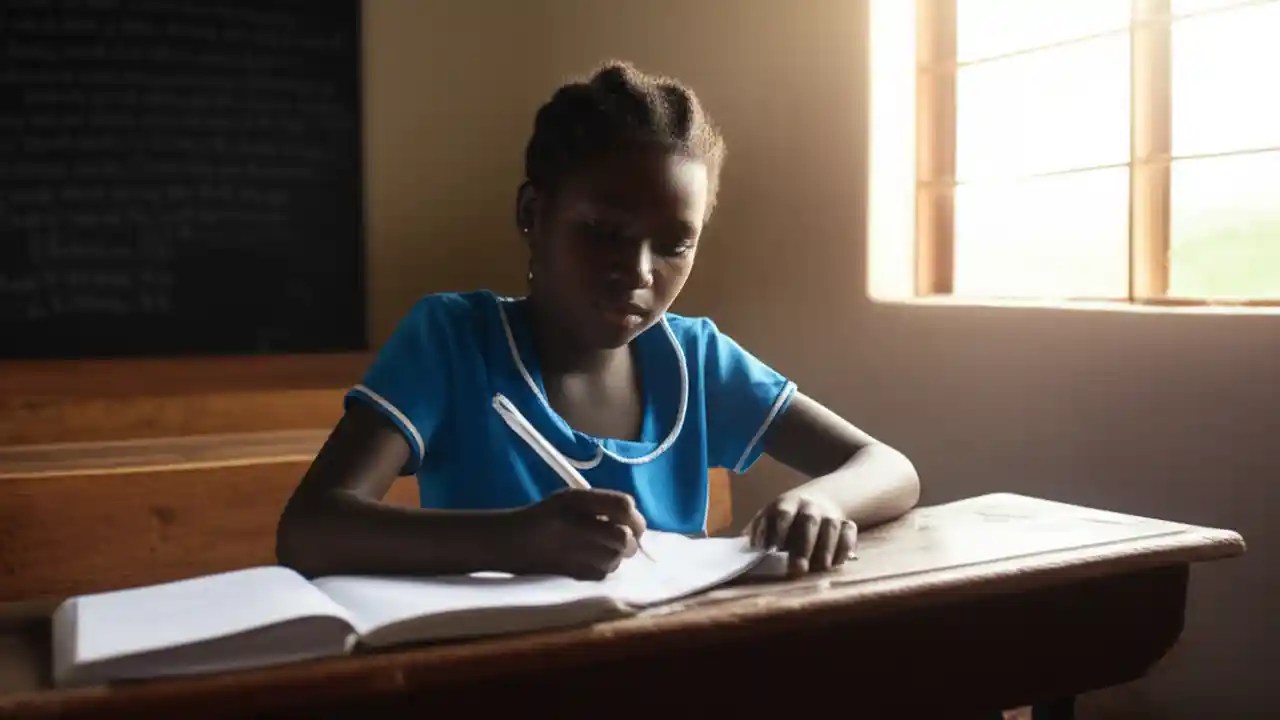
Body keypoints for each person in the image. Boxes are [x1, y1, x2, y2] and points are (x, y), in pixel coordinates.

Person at [276, 60, 920, 582]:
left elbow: (889, 467)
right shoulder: (453, 341)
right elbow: (310, 531)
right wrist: (514, 540)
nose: (638, 271)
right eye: (604, 233)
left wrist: (822, 499)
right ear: (533, 215)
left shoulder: (695, 360)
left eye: (674, 244)